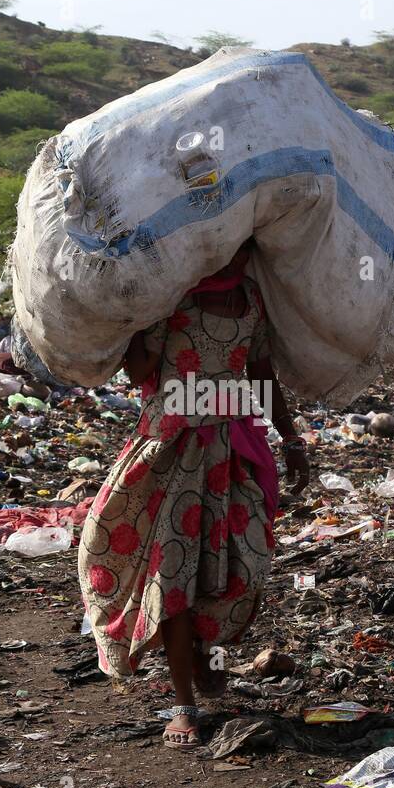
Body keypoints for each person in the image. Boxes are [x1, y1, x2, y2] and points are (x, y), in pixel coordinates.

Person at [78, 241, 309, 750]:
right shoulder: (175, 297)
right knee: (171, 571)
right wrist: (134, 316)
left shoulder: (250, 299)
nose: (231, 256)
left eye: (241, 246)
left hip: (229, 452)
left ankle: (203, 654)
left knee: (237, 565)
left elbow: (261, 376)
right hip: (169, 450)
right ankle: (184, 703)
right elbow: (141, 373)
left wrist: (291, 440)